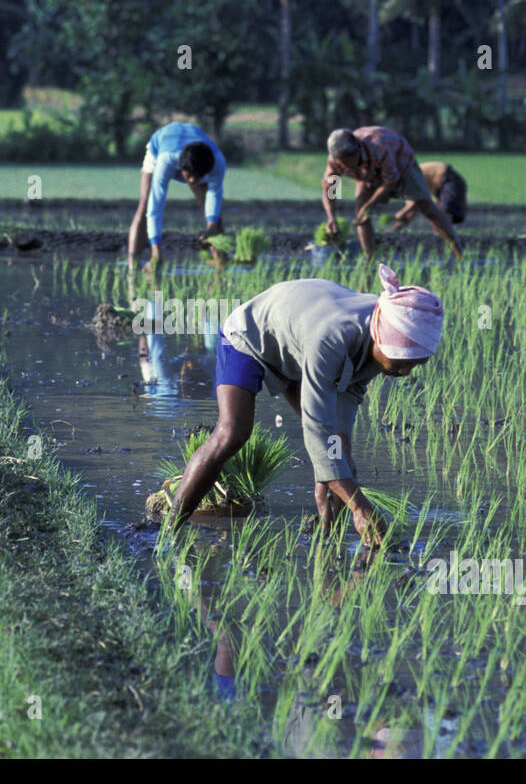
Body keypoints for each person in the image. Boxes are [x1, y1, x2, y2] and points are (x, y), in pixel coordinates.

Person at [167, 265, 444, 550]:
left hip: (299, 350)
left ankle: (327, 539)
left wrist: (342, 453)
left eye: (413, 364)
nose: (405, 372)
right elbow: (315, 428)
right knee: (232, 433)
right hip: (252, 335)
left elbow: (348, 397)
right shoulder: (333, 337)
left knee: (340, 456)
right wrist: (359, 506)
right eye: (400, 362)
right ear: (380, 337)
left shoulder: (380, 335)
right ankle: (170, 528)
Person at [320, 127, 462, 260]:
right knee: (361, 213)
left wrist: (370, 205)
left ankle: (459, 253)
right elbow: (331, 189)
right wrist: (331, 217)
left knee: (427, 207)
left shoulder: (379, 147)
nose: (346, 167)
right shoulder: (335, 160)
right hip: (367, 172)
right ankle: (370, 260)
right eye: (342, 163)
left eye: (349, 162)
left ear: (357, 150)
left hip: (402, 165)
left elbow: (389, 182)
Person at [128, 122, 226, 273]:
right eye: (189, 176)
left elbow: (214, 195)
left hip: (195, 157)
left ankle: (221, 262)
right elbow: (155, 208)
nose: (192, 181)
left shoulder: (217, 162)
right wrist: (156, 252)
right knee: (145, 204)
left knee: (213, 215)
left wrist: (211, 227)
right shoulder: (165, 161)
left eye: (198, 177)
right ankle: (132, 265)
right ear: (182, 169)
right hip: (161, 148)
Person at [389, 161, 468, 231]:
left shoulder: (410, 177)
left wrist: (401, 213)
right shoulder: (409, 191)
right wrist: (395, 229)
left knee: (443, 214)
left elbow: (417, 201)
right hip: (442, 187)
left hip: (448, 179)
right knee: (439, 216)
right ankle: (445, 238)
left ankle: (449, 240)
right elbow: (412, 211)